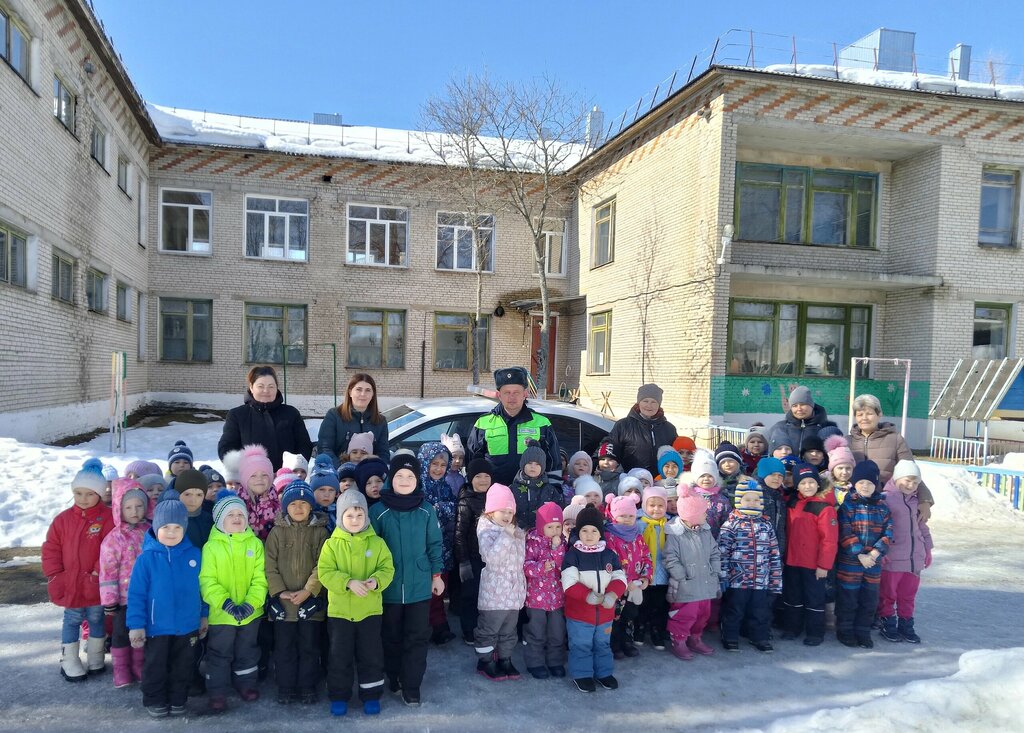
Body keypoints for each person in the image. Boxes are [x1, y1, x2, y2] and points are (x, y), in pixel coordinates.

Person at [368, 453, 444, 707]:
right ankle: (394, 675)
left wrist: (436, 575)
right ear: (391, 478)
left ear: (417, 480)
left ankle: (412, 685)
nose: (404, 480)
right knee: (390, 636)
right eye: (399, 475)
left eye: (410, 476)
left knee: (417, 636)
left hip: (419, 586)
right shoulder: (378, 511)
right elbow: (370, 548)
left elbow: (434, 544)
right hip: (388, 588)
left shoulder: (426, 510)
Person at [126, 494, 206, 718]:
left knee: (184, 665)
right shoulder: (146, 559)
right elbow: (136, 595)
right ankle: (155, 699)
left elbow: (203, 589)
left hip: (188, 625)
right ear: (156, 528)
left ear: (184, 528)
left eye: (177, 527)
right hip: (157, 627)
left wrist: (204, 615)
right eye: (166, 527)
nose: (171, 532)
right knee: (156, 666)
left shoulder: (194, 555)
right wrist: (136, 626)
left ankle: (178, 699)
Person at [318, 489, 394, 717]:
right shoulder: (331, 545)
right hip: (340, 613)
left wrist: (376, 581)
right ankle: (339, 695)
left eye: (359, 515)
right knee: (339, 656)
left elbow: (387, 568)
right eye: (349, 515)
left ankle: (371, 695)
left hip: (369, 611)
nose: (354, 520)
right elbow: (325, 573)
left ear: (366, 517)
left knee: (370, 655)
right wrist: (348, 582)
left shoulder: (377, 543)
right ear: (341, 516)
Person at [43, 458, 113, 681]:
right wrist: (55, 574)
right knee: (72, 619)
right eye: (79, 493)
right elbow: (51, 548)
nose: (83, 499)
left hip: (95, 583)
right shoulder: (62, 520)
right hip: (70, 581)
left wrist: (98, 571)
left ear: (99, 494)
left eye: (90, 494)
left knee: (96, 617)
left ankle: (95, 656)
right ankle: (69, 659)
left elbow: (110, 547)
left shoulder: (107, 518)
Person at [200, 491, 268, 713]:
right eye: (231, 515)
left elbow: (260, 579)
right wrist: (225, 603)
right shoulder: (211, 547)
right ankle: (217, 691)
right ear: (220, 519)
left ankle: (246, 684)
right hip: (222, 614)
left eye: (240, 514)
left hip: (250, 614)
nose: (237, 518)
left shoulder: (255, 544)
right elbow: (207, 581)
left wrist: (252, 603)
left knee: (247, 651)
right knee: (219, 653)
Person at [265, 481, 329, 705]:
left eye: (303, 503)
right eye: (293, 504)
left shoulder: (320, 533)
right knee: (284, 648)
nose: (299, 508)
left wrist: (308, 591)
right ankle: (286, 686)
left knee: (309, 647)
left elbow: (323, 565)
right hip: (284, 605)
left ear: (311, 507)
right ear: (286, 507)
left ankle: (307, 685)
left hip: (310, 604)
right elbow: (269, 565)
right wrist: (279, 591)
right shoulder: (276, 532)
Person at [560, 505, 626, 693]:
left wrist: (612, 594)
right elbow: (569, 582)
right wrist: (587, 595)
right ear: (578, 532)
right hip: (580, 614)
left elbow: (620, 577)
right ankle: (582, 675)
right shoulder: (573, 555)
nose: (589, 535)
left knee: (602, 645)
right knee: (581, 645)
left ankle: (604, 673)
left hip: (605, 613)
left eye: (594, 531)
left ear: (600, 533)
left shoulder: (609, 555)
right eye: (584, 531)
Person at [467, 367, 561, 487]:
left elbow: (554, 462)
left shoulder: (542, 423)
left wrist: (554, 490)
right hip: (494, 495)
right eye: (507, 393)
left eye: (516, 392)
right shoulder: (483, 423)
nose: (512, 397)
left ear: (525, 394)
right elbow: (472, 462)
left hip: (532, 494)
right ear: (499, 395)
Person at [848, 394, 935, 522]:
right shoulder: (847, 442)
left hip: (887, 505)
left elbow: (910, 471)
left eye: (869, 414)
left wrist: (924, 500)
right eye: (860, 414)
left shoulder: (895, 440)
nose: (864, 418)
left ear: (879, 414)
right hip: (854, 506)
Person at [718, 482, 782, 652]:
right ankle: (730, 636)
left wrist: (775, 580)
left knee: (760, 611)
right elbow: (723, 552)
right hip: (737, 579)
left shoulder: (766, 525)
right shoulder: (731, 524)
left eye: (756, 500)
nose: (752, 503)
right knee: (734, 609)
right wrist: (723, 576)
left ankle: (759, 637)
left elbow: (774, 554)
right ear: (739, 501)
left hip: (761, 580)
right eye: (748, 499)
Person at [99, 478, 150, 688]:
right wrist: (109, 600)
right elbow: (107, 572)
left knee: (141, 631)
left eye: (139, 506)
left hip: (146, 595)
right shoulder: (114, 539)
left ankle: (138, 665)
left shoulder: (150, 532)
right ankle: (120, 669)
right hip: (123, 598)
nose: (134, 511)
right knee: (120, 633)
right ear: (119, 509)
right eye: (128, 507)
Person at [473, 483, 527, 681]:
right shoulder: (487, 531)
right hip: (494, 594)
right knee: (489, 630)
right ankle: (485, 660)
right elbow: (492, 558)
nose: (507, 515)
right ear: (490, 511)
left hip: (513, 593)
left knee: (509, 631)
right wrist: (507, 536)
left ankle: (505, 659)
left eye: (510, 512)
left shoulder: (514, 531)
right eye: (502, 510)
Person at [836, 460, 892, 649]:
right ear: (855, 484)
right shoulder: (848, 506)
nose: (865, 486)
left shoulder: (883, 508)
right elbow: (845, 532)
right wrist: (859, 554)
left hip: (873, 564)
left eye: (869, 483)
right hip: (850, 563)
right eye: (861, 482)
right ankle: (845, 631)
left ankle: (863, 632)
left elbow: (888, 533)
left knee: (869, 601)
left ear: (876, 484)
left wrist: (875, 553)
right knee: (848, 599)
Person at [781, 463, 838, 647]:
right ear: (797, 485)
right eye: (803, 482)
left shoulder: (824, 508)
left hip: (813, 564)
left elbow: (829, 540)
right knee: (793, 596)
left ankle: (815, 632)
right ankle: (792, 628)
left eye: (811, 482)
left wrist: (824, 566)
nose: (807, 486)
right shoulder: (792, 502)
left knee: (814, 598)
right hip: (792, 560)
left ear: (818, 484)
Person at [218, 365, 313, 473]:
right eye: (260, 386)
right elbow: (227, 448)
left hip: (286, 478)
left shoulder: (291, 413)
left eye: (271, 386)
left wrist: (295, 470)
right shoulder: (237, 415)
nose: (266, 390)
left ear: (277, 388)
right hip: (251, 478)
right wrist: (248, 471)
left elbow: (304, 445)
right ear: (251, 387)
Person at [878, 460, 933, 644]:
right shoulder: (885, 499)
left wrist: (927, 549)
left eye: (915, 482)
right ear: (897, 478)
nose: (911, 485)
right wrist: (881, 551)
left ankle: (906, 624)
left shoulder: (916, 501)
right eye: (907, 480)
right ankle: (887, 622)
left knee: (908, 595)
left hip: (914, 559)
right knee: (888, 594)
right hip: (893, 558)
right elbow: (879, 527)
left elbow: (922, 527)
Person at [664, 492, 719, 660]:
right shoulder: (675, 534)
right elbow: (670, 557)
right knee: (684, 614)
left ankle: (695, 638)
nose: (706, 515)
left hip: (705, 582)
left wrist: (715, 570)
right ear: (692, 515)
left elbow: (715, 552)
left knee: (703, 614)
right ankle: (679, 640)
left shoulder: (705, 531)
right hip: (686, 584)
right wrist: (681, 575)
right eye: (703, 512)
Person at [417, 442, 458, 645]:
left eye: (443, 465)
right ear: (425, 463)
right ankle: (428, 627)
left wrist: (440, 508)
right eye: (434, 464)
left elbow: (454, 509)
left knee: (440, 588)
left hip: (443, 548)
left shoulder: (446, 486)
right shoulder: (417, 487)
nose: (439, 469)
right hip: (422, 549)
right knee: (425, 591)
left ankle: (439, 626)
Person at [602, 493, 651, 660]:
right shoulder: (610, 536)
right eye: (623, 516)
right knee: (615, 616)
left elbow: (646, 557)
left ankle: (627, 642)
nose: (627, 519)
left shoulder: (637, 536)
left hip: (634, 586)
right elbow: (610, 562)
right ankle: (614, 644)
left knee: (630, 615)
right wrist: (624, 582)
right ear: (613, 515)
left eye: (631, 516)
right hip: (616, 586)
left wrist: (645, 577)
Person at [522, 501, 568, 680]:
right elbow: (526, 566)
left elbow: (564, 566)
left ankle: (555, 661)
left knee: (557, 631)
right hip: (536, 598)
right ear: (541, 526)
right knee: (536, 631)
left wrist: (557, 549)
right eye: (550, 527)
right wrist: (541, 567)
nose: (555, 531)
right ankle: (535, 662)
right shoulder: (532, 542)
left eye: (558, 526)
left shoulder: (562, 542)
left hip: (557, 597)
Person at [455, 458, 494, 645]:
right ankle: (469, 630)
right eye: (478, 476)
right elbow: (459, 534)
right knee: (470, 594)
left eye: (486, 476)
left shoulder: (495, 497)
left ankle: (486, 628)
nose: (483, 480)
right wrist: (463, 561)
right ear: (470, 478)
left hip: (491, 558)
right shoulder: (466, 500)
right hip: (472, 556)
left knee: (488, 595)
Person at [317, 373, 390, 469]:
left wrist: (374, 471)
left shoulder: (380, 421)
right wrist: (343, 470)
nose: (363, 394)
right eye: (359, 389)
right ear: (350, 392)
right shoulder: (334, 416)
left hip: (369, 475)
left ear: (373, 395)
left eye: (368, 390)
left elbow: (383, 453)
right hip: (339, 474)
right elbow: (325, 448)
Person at [606, 383, 678, 475]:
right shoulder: (623, 425)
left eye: (653, 402)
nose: (649, 405)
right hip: (631, 480)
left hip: (660, 480)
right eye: (645, 401)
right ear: (638, 403)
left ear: (659, 405)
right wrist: (602, 463)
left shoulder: (669, 429)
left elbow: (678, 454)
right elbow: (609, 447)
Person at [635, 486, 670, 650]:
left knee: (659, 605)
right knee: (642, 604)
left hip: (662, 573)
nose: (656, 509)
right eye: (652, 505)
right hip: (644, 572)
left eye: (660, 505)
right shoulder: (639, 524)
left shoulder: (668, 525)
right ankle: (639, 628)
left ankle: (657, 631)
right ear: (644, 505)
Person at [765, 386, 842, 458]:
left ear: (811, 405)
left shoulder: (826, 428)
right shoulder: (780, 428)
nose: (799, 409)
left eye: (803, 404)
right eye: (795, 406)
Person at [511, 442, 564, 530]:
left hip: (542, 536)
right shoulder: (513, 489)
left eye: (537, 464)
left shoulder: (550, 491)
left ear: (542, 467)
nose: (533, 467)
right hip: (517, 534)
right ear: (523, 465)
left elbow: (558, 512)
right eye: (530, 463)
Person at [236, 444, 279, 541]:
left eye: (264, 475)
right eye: (253, 475)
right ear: (244, 479)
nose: (259, 479)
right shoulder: (238, 504)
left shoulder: (278, 501)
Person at [309, 454, 341, 533]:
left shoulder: (340, 513)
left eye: (331, 490)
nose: (327, 494)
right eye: (322, 490)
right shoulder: (307, 513)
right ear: (312, 491)